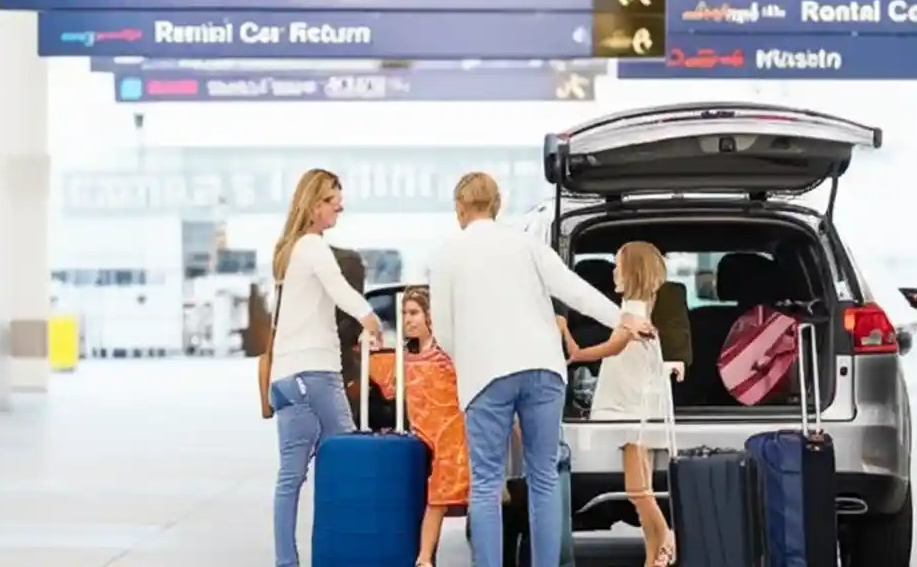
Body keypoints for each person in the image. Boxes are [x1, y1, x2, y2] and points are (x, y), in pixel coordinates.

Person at [428, 172, 653, 567]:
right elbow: (573, 288)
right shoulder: (526, 243)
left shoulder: (448, 252)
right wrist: (622, 319)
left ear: (459, 207)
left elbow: (444, 330)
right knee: (544, 477)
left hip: (487, 375)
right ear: (496, 205)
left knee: (485, 484)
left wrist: (470, 359)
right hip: (543, 369)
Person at [268, 168, 383, 567]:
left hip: (285, 378)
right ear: (315, 206)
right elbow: (340, 289)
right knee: (349, 461)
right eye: (334, 201)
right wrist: (371, 319)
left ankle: (287, 561)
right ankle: (348, 551)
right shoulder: (314, 246)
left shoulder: (287, 250)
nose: (341, 207)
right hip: (315, 372)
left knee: (291, 477)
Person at [566, 241, 677, 567]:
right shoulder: (644, 305)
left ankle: (667, 537)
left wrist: (576, 352)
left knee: (636, 489)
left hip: (630, 408)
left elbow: (613, 348)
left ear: (631, 271)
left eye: (618, 265)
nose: (613, 271)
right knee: (644, 490)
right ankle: (652, 556)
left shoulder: (631, 308)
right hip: (644, 404)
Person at [367, 287, 468, 567]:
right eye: (404, 313)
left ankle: (424, 558)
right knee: (431, 497)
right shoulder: (403, 356)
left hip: (452, 434)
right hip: (421, 439)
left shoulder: (448, 354)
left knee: (442, 495)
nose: (407, 319)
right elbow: (384, 384)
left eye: (414, 313)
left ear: (430, 316)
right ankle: (424, 558)